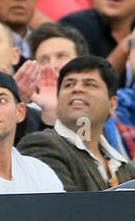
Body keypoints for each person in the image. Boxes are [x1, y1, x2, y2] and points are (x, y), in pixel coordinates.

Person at [19, 55, 135, 189]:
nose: (77, 89)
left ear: (112, 104)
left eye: (90, 84)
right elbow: (67, 208)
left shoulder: (126, 169)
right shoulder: (41, 145)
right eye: (69, 84)